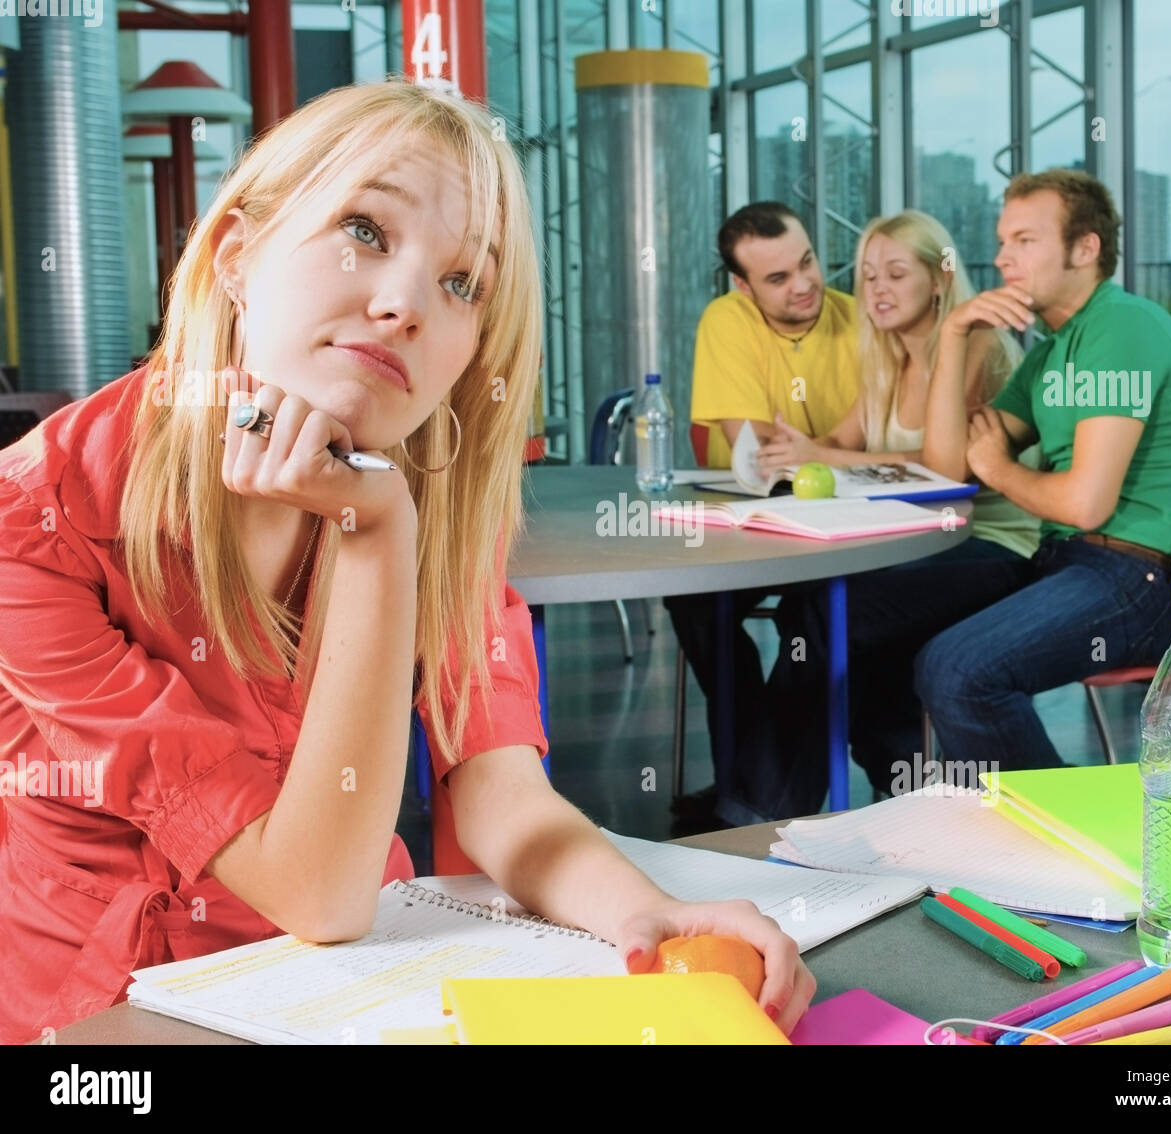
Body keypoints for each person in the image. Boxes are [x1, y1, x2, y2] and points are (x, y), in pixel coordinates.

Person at [0, 81, 813, 1044]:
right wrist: (376, 534)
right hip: (107, 1022)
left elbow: (502, 793)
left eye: (464, 283)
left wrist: (645, 914)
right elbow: (318, 892)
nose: (404, 306)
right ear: (237, 255)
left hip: (364, 997)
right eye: (365, 230)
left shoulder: (426, 492)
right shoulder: (36, 520)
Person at [749, 169, 1171, 815]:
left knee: (959, 670)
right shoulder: (1054, 350)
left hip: (1132, 581)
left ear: (1084, 249)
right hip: (1062, 561)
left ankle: (1070, 837)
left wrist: (997, 467)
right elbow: (950, 465)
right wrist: (953, 333)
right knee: (844, 610)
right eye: (1003, 241)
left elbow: (1082, 503)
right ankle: (887, 798)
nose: (1001, 257)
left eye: (1025, 240)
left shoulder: (1123, 328)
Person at [724, 211, 1041, 819]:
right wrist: (796, 449)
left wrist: (825, 454)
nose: (877, 290)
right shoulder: (886, 357)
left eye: (896, 274)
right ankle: (894, 795)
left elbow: (950, 469)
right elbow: (839, 445)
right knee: (821, 609)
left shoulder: (981, 347)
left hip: (993, 546)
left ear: (940, 279)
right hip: (912, 547)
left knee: (832, 612)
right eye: (868, 276)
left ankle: (761, 812)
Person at [665, 202, 859, 833]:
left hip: (844, 526)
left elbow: (848, 447)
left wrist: (812, 451)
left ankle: (750, 802)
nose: (804, 284)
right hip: (747, 524)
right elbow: (759, 458)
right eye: (778, 279)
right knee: (694, 602)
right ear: (744, 287)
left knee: (822, 605)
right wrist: (828, 448)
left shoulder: (859, 319)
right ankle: (747, 781)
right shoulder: (726, 320)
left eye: (807, 262)